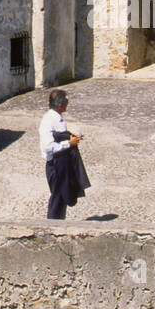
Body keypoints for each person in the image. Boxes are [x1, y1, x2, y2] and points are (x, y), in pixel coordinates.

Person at [39, 89, 91, 220]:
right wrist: (69, 143)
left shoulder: (58, 118)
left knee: (63, 196)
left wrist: (71, 138)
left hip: (63, 163)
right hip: (56, 166)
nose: (68, 103)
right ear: (60, 105)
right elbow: (48, 146)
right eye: (66, 101)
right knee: (57, 197)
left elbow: (60, 136)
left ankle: (59, 224)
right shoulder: (48, 120)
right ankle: (52, 227)